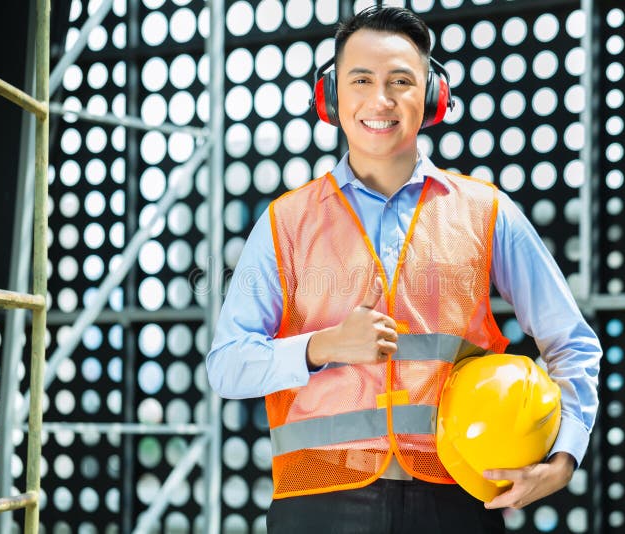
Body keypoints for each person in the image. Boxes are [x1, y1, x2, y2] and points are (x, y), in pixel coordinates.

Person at [207, 5, 601, 533]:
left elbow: (572, 341)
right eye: (361, 80)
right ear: (332, 97)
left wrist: (566, 455)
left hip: (455, 504)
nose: (381, 99)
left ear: (432, 97)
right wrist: (320, 347)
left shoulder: (487, 213)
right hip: (318, 507)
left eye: (401, 81)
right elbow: (227, 365)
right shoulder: (286, 222)